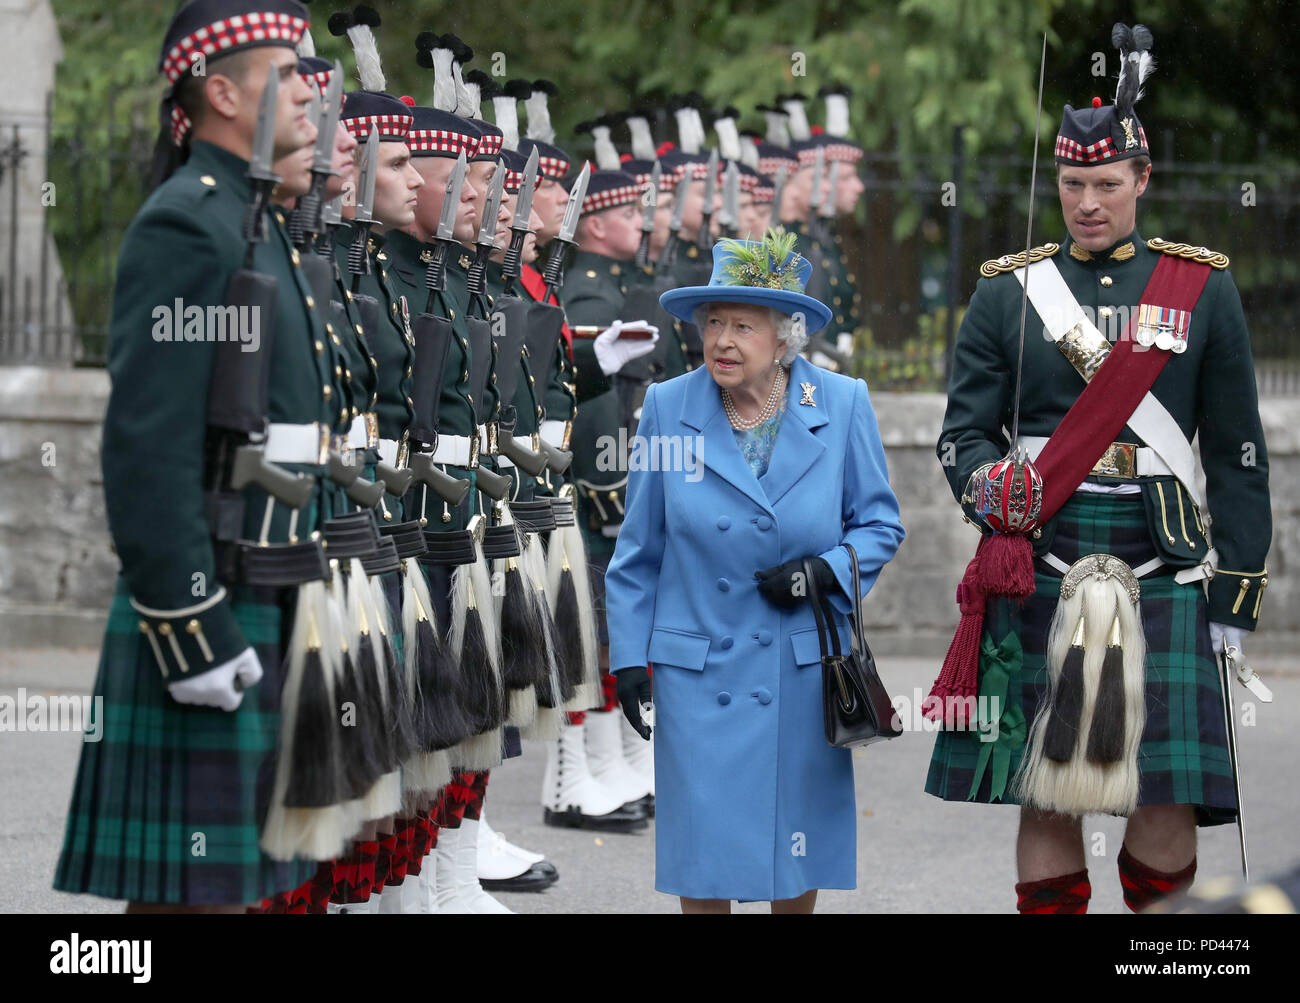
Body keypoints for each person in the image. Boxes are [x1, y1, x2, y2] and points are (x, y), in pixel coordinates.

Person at [924, 23, 1270, 914]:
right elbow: (961, 435)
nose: (1086, 202)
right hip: (1043, 555)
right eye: (1073, 184)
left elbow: (1237, 451)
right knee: (1047, 785)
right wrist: (984, 487)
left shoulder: (1201, 287)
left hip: (1162, 563)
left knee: (1162, 793)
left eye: (1106, 185)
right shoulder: (1008, 290)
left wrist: (1234, 590)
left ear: (1142, 182)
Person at [53, 0, 345, 912]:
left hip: (276, 570)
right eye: (286, 73)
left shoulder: (255, 219)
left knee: (231, 887)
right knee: (193, 894)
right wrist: (188, 620)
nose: (308, 88)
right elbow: (148, 443)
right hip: (218, 582)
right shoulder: (190, 221)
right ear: (222, 92)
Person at [605, 229, 905, 912]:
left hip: (798, 674)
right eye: (714, 322)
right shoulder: (667, 408)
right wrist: (627, 656)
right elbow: (638, 550)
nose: (722, 340)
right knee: (703, 859)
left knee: (792, 857)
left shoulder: (841, 402)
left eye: (743, 324)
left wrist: (822, 574)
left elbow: (880, 525)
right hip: (699, 671)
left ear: (786, 335)